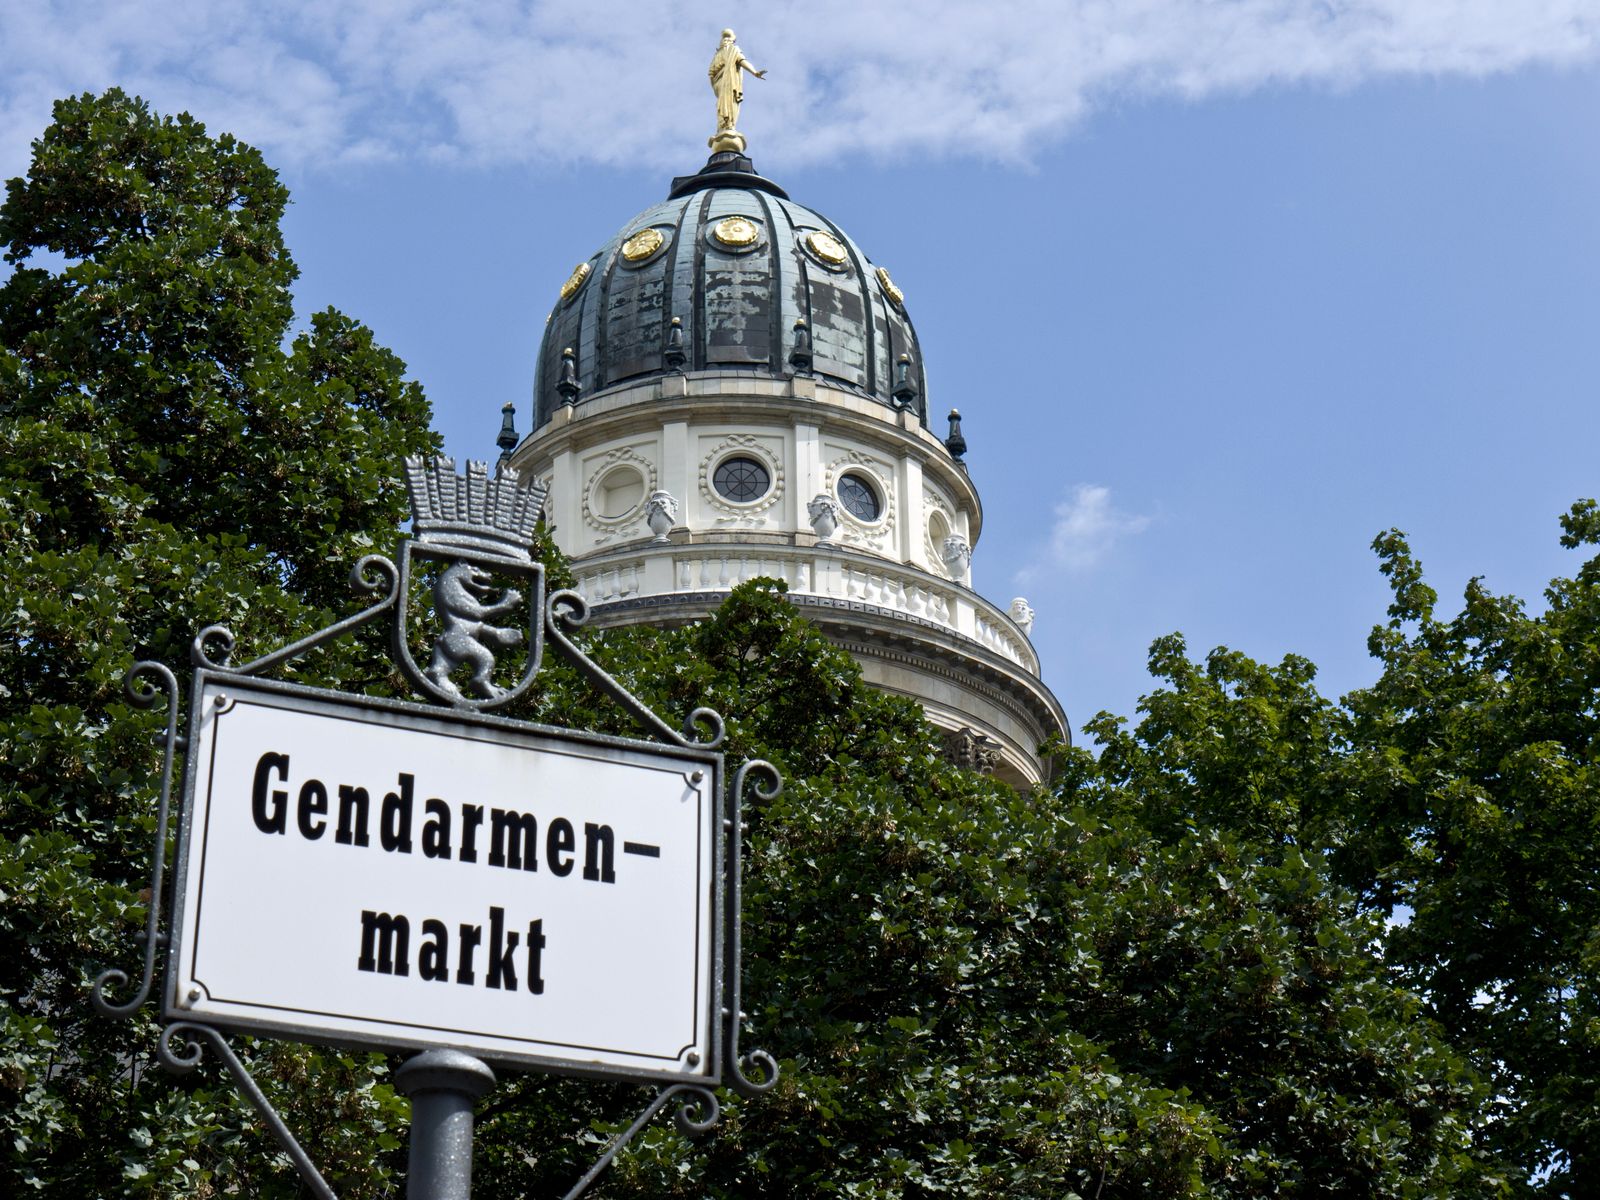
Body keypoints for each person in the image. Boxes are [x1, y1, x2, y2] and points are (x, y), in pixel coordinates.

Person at [708, 28, 765, 134]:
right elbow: (711, 73)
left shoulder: (734, 50)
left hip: (729, 80)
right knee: (722, 103)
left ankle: (728, 124)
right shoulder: (717, 55)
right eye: (724, 38)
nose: (725, 40)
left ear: (732, 40)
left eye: (728, 38)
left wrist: (754, 72)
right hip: (720, 82)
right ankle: (722, 124)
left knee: (730, 102)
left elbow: (742, 61)